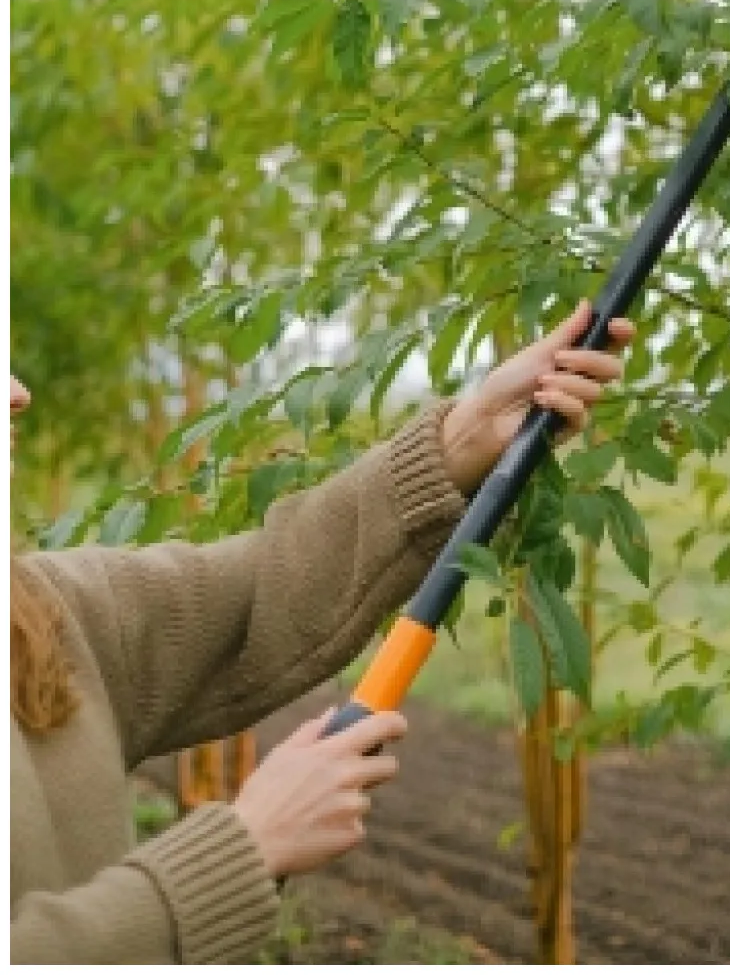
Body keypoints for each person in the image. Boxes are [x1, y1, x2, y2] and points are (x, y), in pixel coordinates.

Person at [11, 299, 634, 964]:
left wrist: (464, 438)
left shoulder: (39, 613)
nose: (18, 393)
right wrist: (241, 850)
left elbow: (257, 590)